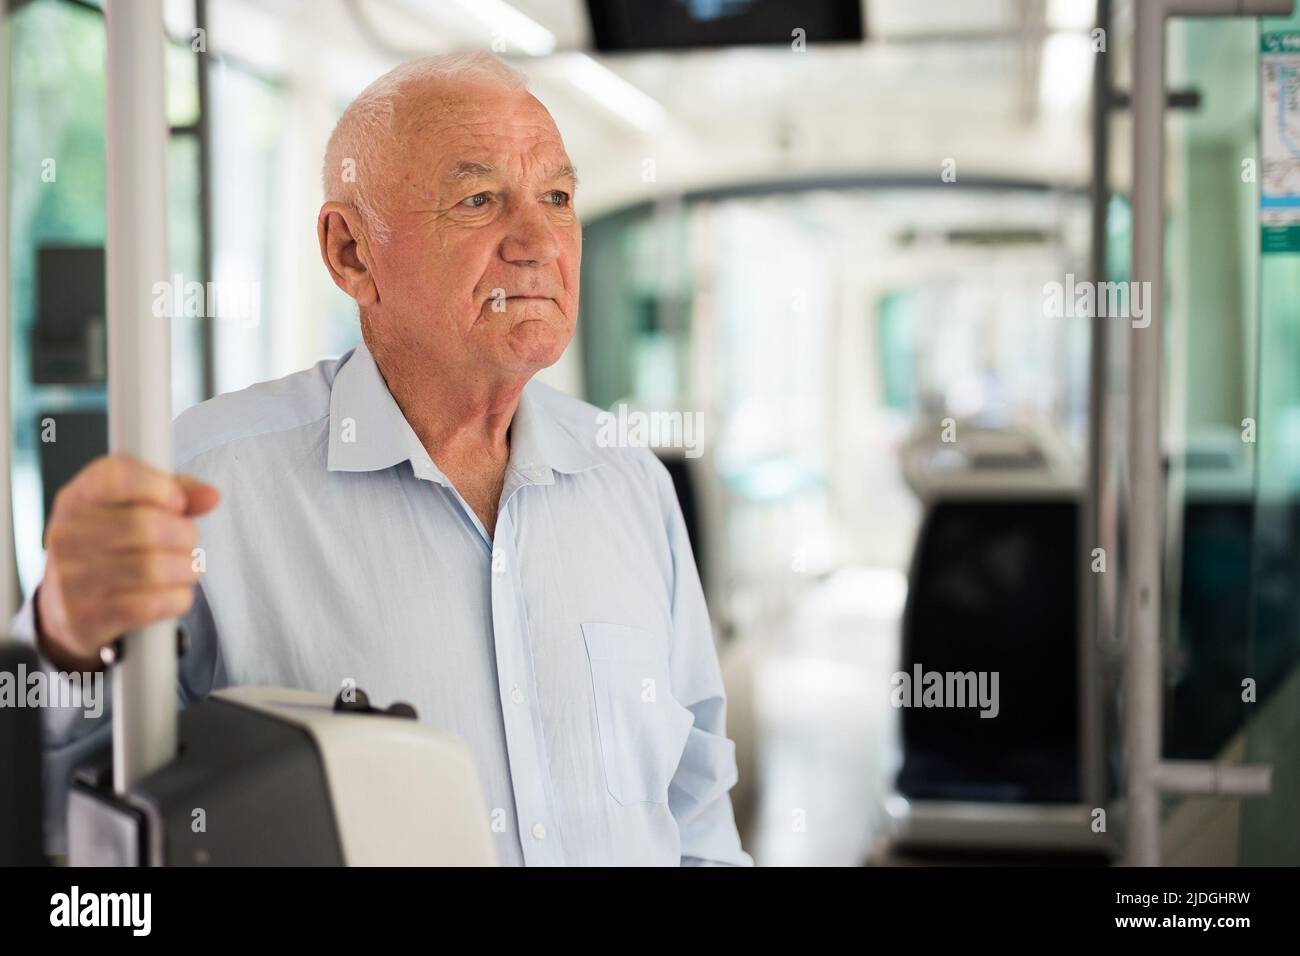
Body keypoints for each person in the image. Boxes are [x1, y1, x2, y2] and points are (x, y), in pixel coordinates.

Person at [15, 52, 750, 867]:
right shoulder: (207, 483)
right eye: (478, 200)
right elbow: (62, 819)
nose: (540, 241)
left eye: (558, 197)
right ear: (351, 252)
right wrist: (61, 639)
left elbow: (694, 798)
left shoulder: (632, 484)